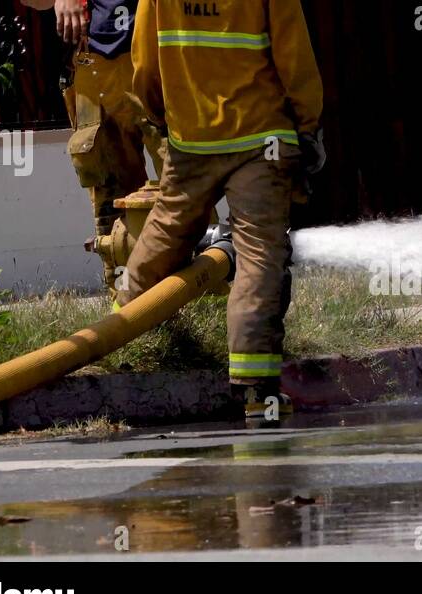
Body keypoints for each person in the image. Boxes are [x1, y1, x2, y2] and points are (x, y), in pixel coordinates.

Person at [115, 0, 326, 424]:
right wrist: (308, 126)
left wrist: (165, 116)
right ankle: (255, 390)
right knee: (259, 256)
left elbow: (144, 64)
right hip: (260, 137)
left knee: (165, 234)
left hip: (191, 138)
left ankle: (121, 338)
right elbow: (294, 57)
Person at [22, 0, 165, 296]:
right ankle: (128, 308)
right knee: (113, 203)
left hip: (160, 51)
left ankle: (203, 291)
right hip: (94, 63)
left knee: (185, 189)